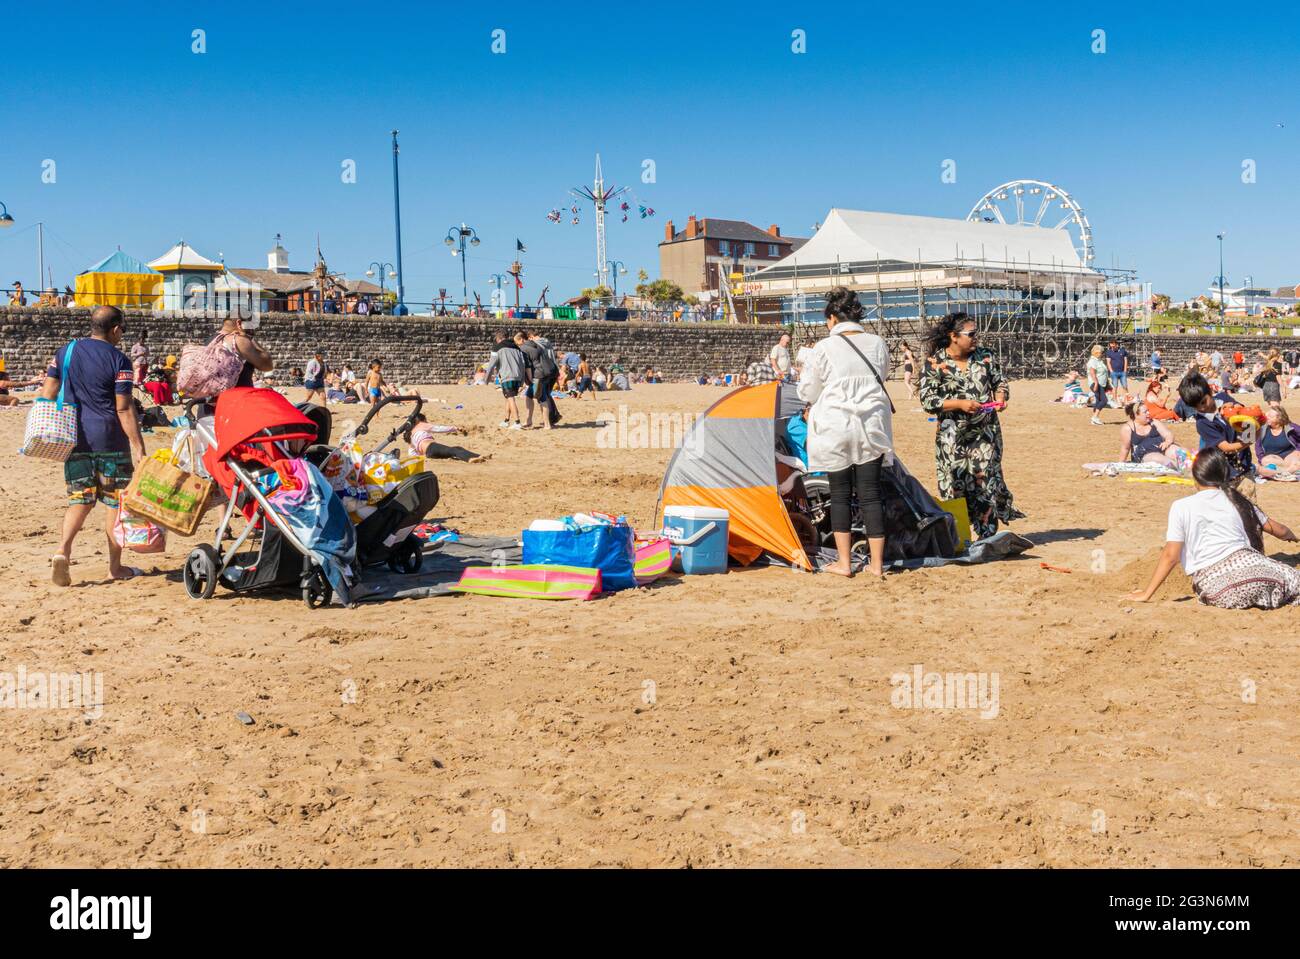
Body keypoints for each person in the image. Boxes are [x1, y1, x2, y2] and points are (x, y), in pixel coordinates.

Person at [41, 306, 147, 586]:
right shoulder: (119, 360)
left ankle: (62, 549)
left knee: (79, 499)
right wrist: (138, 447)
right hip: (110, 440)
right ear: (115, 330)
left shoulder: (66, 352)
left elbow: (48, 392)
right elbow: (123, 409)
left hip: (74, 438)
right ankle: (115, 567)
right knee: (114, 502)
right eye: (121, 330)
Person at [797, 287, 892, 578]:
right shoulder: (876, 342)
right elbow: (883, 375)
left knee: (839, 493)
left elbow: (808, 390)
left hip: (835, 424)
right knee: (871, 494)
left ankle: (844, 563)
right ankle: (876, 565)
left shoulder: (823, 348)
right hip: (872, 423)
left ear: (832, 319)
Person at [1128, 449, 1300, 609]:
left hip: (1220, 585)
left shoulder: (1181, 506)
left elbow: (1170, 556)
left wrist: (1147, 593)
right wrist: (1292, 536)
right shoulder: (1238, 500)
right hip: (1262, 571)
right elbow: (1279, 529)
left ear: (1195, 477)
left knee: (1241, 591)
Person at [919, 312, 1024, 540]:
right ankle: (958, 536)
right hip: (952, 437)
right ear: (954, 336)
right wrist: (959, 404)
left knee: (986, 482)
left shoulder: (985, 356)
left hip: (985, 433)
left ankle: (987, 535)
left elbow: (1000, 382)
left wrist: (1001, 397)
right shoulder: (935, 363)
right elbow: (928, 401)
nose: (976, 337)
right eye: (971, 334)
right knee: (954, 484)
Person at [1179, 372, 1253, 481]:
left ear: (1210, 391)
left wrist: (1233, 408)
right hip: (1221, 472)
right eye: (1196, 406)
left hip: (1244, 464)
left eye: (1203, 402)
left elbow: (1247, 418)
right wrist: (1250, 440)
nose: (1202, 408)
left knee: (1248, 495)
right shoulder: (1202, 423)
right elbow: (1226, 448)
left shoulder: (1223, 397)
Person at [1120, 402, 1186, 469]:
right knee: (1158, 458)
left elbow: (1168, 434)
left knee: (1175, 450)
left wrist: (1167, 442)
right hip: (1144, 456)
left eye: (1148, 410)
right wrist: (1120, 464)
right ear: (1136, 415)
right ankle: (1178, 468)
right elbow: (1125, 448)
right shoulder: (1128, 428)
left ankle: (1188, 466)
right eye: (1145, 412)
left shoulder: (1154, 422)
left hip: (1162, 450)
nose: (1148, 413)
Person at [483, 331, 528, 426]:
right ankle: (506, 420)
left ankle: (517, 422)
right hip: (518, 376)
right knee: (508, 398)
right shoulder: (517, 347)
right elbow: (523, 364)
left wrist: (486, 379)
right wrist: (522, 380)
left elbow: (491, 364)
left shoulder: (497, 347)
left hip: (507, 376)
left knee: (510, 398)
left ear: (499, 339)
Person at [517, 330, 559, 429]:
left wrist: (527, 380)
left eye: (517, 342)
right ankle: (529, 421)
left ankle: (547, 424)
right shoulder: (536, 345)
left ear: (521, 339)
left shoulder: (524, 348)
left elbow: (527, 366)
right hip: (545, 373)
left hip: (537, 376)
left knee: (542, 399)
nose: (516, 344)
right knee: (529, 396)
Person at [406, 414, 490, 463]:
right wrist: (455, 428)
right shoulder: (421, 425)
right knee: (454, 450)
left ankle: (479, 456)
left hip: (429, 453)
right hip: (431, 447)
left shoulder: (411, 435)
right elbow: (439, 428)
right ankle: (470, 459)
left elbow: (412, 453)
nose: (427, 422)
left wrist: (421, 459)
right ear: (421, 420)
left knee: (457, 448)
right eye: (426, 420)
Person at [1254, 406, 1300, 474]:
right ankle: (1288, 471)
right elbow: (1258, 447)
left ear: (1280, 418)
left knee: (1297, 461)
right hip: (1272, 459)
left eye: (1271, 416)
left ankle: (1278, 472)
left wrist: (1298, 450)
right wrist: (1261, 459)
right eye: (1267, 415)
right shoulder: (1262, 429)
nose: (1267, 418)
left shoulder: (1291, 427)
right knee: (1265, 460)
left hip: (1289, 457)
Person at [1085, 344, 1110, 426]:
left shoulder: (1099, 361)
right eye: (1101, 352)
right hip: (1095, 383)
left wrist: (1107, 383)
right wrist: (1096, 383)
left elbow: (1104, 372)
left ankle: (1094, 419)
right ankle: (1095, 417)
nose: (1102, 353)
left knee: (1099, 400)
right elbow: (1092, 373)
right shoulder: (1092, 361)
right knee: (1104, 400)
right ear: (1096, 352)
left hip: (1101, 383)